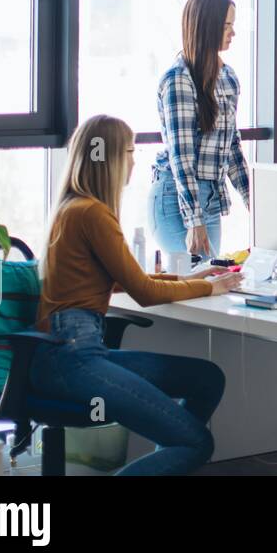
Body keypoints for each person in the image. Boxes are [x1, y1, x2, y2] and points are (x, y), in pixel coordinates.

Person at [32, 114, 244, 475]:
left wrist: (190, 276)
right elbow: (143, 292)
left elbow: (121, 280)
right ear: (110, 158)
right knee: (196, 443)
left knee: (207, 378)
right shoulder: (93, 214)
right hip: (73, 358)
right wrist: (208, 287)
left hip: (72, 351)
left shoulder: (74, 207)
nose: (134, 160)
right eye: (129, 151)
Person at [150, 0, 250, 260]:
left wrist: (252, 200)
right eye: (227, 25)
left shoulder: (228, 77)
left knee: (212, 280)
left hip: (209, 198)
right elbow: (181, 157)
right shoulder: (178, 80)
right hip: (175, 198)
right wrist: (195, 221)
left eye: (233, 25)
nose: (233, 32)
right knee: (198, 284)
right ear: (208, 26)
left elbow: (232, 148)